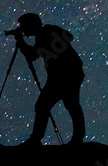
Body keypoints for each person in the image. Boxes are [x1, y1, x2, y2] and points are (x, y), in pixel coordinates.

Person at [11, 13, 85, 146]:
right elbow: (34, 54)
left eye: (24, 26)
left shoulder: (47, 32)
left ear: (31, 25)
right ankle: (77, 138)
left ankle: (37, 139)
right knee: (69, 105)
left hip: (64, 76)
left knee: (46, 106)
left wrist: (21, 41)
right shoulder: (46, 33)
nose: (23, 29)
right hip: (67, 75)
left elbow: (32, 55)